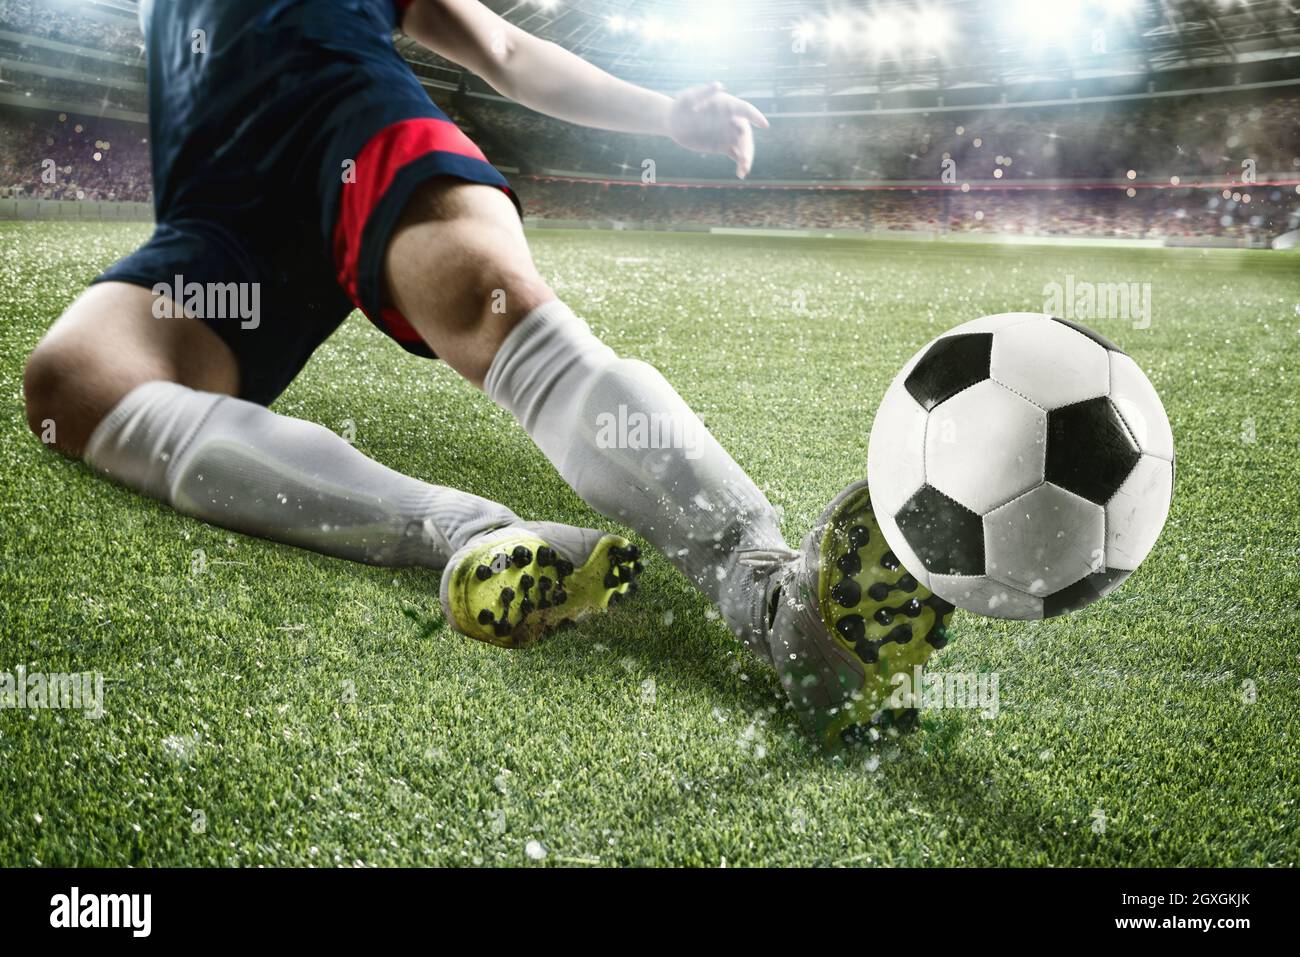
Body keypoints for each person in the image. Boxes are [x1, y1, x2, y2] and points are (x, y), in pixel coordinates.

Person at [21, 0, 952, 747]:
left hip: (341, 120)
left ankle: (772, 595)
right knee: (71, 382)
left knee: (490, 298)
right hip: (215, 217)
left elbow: (502, 49)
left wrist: (665, 114)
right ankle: (477, 536)